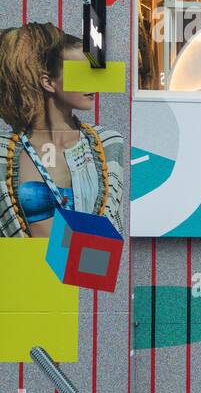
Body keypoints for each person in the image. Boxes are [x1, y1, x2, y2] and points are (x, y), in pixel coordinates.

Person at [0, 22, 124, 239]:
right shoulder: (4, 150)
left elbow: (112, 223)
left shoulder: (108, 143)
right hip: (20, 270)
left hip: (84, 268)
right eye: (80, 74)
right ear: (48, 82)